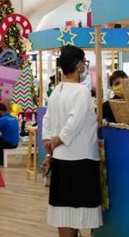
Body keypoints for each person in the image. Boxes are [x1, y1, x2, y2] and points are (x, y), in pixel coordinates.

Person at [42, 45, 102, 236]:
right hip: (81, 158)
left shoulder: (57, 90)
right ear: (78, 65)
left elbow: (47, 120)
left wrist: (49, 145)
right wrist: (56, 141)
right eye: (83, 62)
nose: (85, 66)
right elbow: (73, 123)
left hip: (62, 158)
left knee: (64, 211)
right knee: (76, 211)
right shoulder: (82, 91)